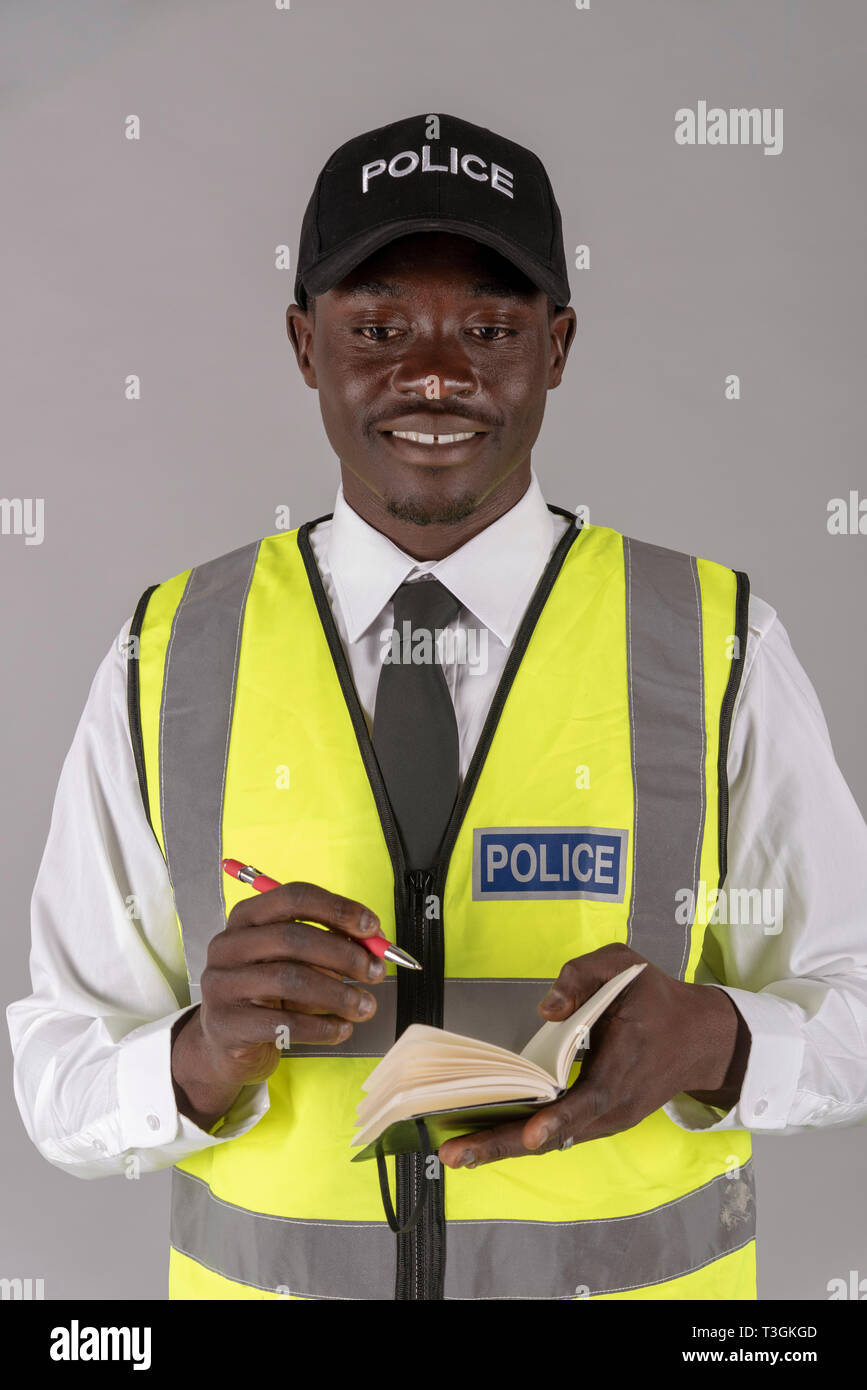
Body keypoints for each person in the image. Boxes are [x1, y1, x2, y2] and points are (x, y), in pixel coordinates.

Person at [8, 112, 867, 1302]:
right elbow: (55, 1070)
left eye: (489, 328)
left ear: (557, 346)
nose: (434, 375)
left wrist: (717, 1039)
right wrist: (197, 1059)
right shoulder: (170, 654)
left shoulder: (714, 642)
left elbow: (858, 997)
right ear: (304, 344)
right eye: (376, 328)